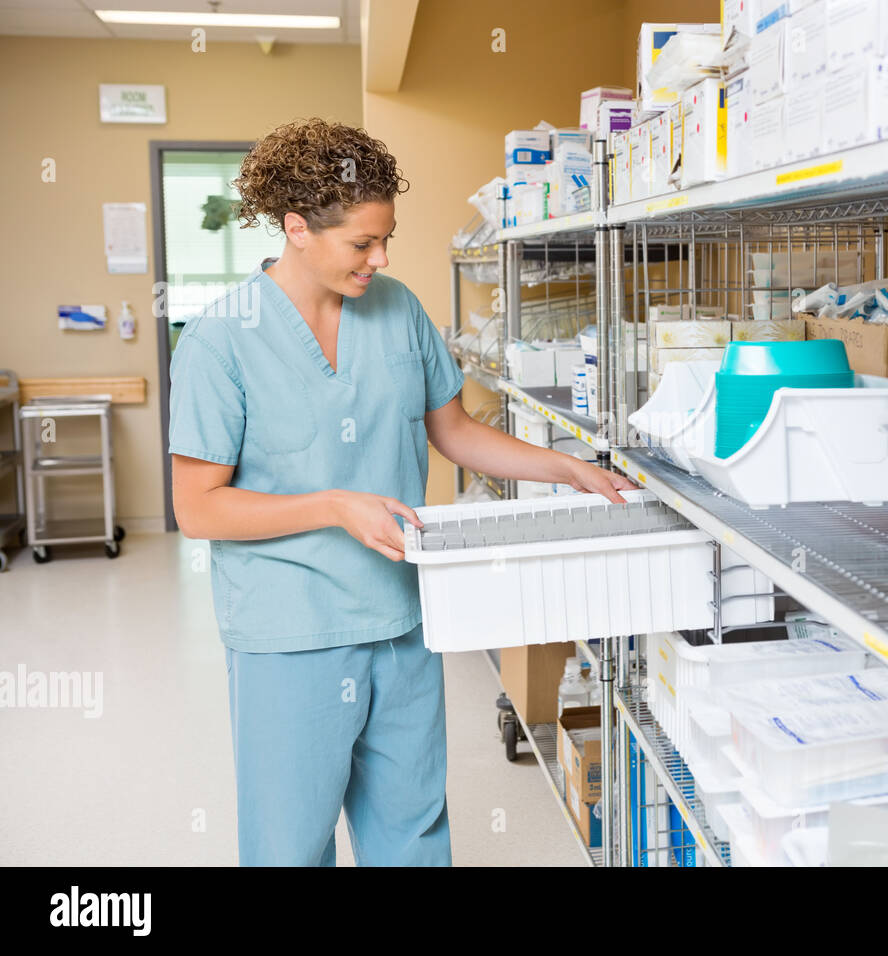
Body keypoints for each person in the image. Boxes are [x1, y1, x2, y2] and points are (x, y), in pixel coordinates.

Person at [167, 117, 637, 866]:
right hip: (291, 636)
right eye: (362, 243)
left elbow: (453, 432)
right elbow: (199, 508)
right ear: (296, 229)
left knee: (412, 838)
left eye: (386, 239)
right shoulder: (221, 341)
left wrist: (569, 468)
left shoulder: (397, 309)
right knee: (290, 846)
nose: (380, 258)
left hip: (401, 617)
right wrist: (331, 505)